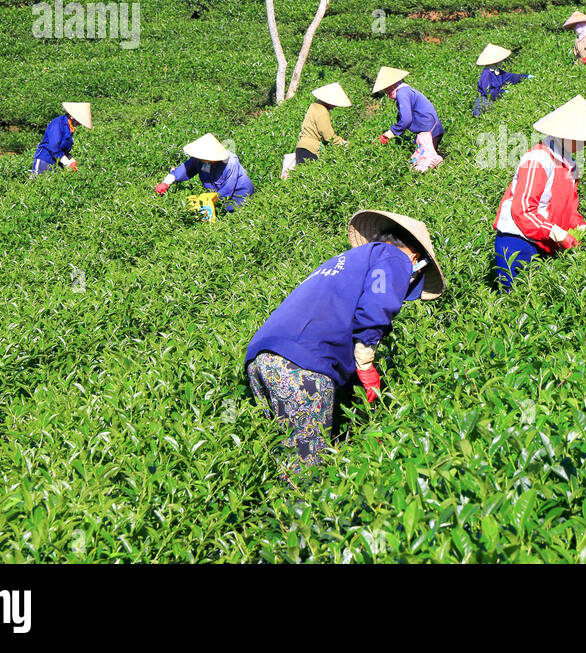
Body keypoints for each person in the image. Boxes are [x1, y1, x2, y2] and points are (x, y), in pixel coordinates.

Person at [244, 210, 446, 477]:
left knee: (282, 459)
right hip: (301, 365)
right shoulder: (394, 258)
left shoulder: (346, 261)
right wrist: (365, 362)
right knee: (304, 473)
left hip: (262, 357)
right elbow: (377, 304)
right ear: (416, 257)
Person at [493, 95, 586, 290]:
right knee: (514, 299)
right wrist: (556, 233)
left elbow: (570, 210)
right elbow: (523, 210)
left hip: (543, 241)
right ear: (567, 135)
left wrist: (585, 229)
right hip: (518, 243)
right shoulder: (538, 159)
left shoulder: (570, 165)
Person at [153, 133, 255, 213]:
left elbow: (227, 191)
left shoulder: (230, 164)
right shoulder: (199, 159)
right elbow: (185, 169)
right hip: (215, 192)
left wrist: (207, 203)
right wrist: (166, 182)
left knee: (233, 214)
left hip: (239, 193)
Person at [374, 67, 445, 172]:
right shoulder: (406, 91)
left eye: (387, 89)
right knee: (416, 161)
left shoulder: (402, 93)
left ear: (393, 84)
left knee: (422, 165)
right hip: (431, 128)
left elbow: (406, 119)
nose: (386, 92)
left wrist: (390, 133)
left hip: (428, 131)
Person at [294, 82, 351, 166]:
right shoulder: (322, 111)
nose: (335, 105)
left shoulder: (315, 105)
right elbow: (328, 136)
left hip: (302, 147)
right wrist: (344, 144)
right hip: (310, 149)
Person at [31, 102, 92, 175]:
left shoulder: (69, 127)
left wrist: (70, 158)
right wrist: (65, 161)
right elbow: (54, 145)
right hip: (45, 160)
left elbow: (63, 148)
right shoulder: (58, 123)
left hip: (56, 162)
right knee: (38, 182)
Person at [473, 43, 530, 117]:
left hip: (492, 100)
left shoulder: (497, 71)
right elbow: (490, 92)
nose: (502, 61)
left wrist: (524, 76)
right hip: (484, 104)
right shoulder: (486, 74)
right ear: (495, 62)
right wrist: (502, 93)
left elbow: (510, 77)